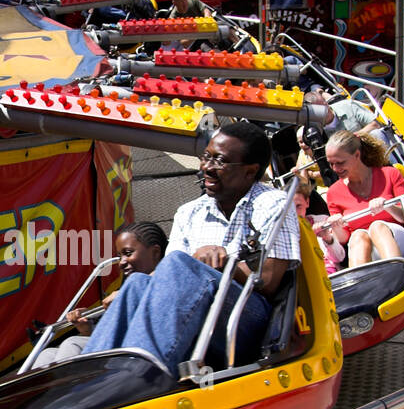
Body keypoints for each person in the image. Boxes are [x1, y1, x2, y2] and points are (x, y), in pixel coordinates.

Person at [81, 121, 298, 372]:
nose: (206, 167)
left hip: (249, 321)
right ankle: (90, 376)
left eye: (219, 161)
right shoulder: (189, 212)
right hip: (197, 320)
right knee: (137, 284)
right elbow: (168, 277)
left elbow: (269, 282)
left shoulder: (272, 203)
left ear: (250, 171)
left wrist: (223, 262)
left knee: (180, 264)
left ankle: (144, 373)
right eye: (206, 157)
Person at [33, 222, 166, 366]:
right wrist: (88, 330)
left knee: (72, 344)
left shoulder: (166, 283)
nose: (121, 262)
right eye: (119, 256)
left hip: (142, 353)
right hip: (120, 347)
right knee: (47, 354)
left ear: (155, 252)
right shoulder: (127, 285)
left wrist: (128, 293)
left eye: (128, 253)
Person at [322, 130, 404, 266]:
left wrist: (387, 205)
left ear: (357, 155)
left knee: (377, 227)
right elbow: (344, 238)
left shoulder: (390, 174)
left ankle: (397, 270)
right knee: (358, 235)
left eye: (340, 162)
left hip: (399, 240)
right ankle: (358, 283)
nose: (335, 169)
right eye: (331, 164)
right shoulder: (333, 192)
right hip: (366, 248)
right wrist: (336, 226)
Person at [295, 176, 345, 274]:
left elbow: (340, 257)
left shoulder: (323, 220)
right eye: (290, 208)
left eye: (298, 206)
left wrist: (328, 238)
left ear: (307, 202)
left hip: (333, 273)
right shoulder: (286, 232)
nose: (295, 212)